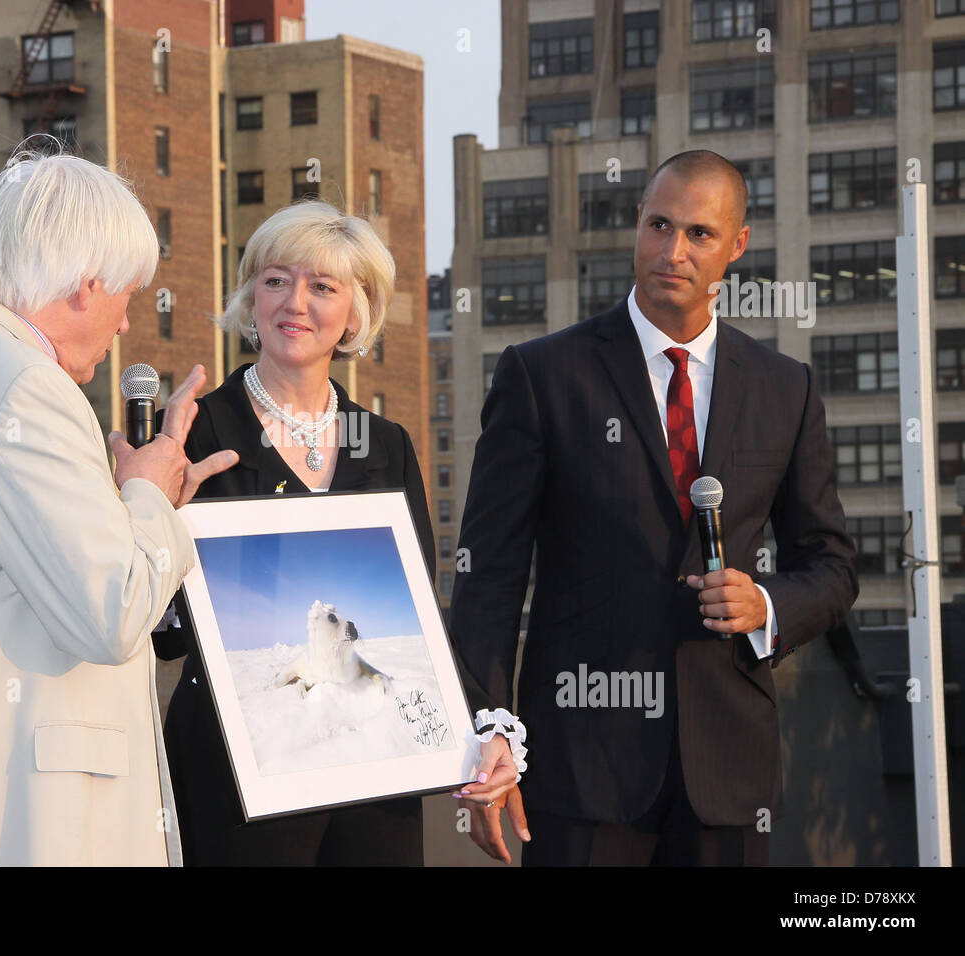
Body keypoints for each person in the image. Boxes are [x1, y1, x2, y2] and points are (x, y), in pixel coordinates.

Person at [449, 150, 859, 866]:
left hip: (731, 774)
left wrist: (765, 604)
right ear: (638, 222)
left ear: (737, 245)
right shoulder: (541, 375)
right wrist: (488, 730)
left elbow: (832, 566)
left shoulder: (785, 388)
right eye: (659, 225)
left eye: (700, 234)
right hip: (579, 771)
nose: (673, 252)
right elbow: (488, 576)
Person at [0, 145, 237, 866]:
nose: (125, 325)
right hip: (25, 824)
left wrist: (124, 506)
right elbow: (112, 613)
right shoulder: (26, 388)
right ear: (87, 285)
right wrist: (150, 494)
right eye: (127, 295)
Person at [152, 201, 454, 865]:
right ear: (250, 297)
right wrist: (153, 517)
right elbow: (164, 636)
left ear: (356, 311)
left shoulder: (386, 443)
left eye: (322, 286)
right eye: (276, 281)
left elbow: (421, 609)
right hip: (236, 773)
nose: (295, 303)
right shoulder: (195, 433)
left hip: (375, 774)